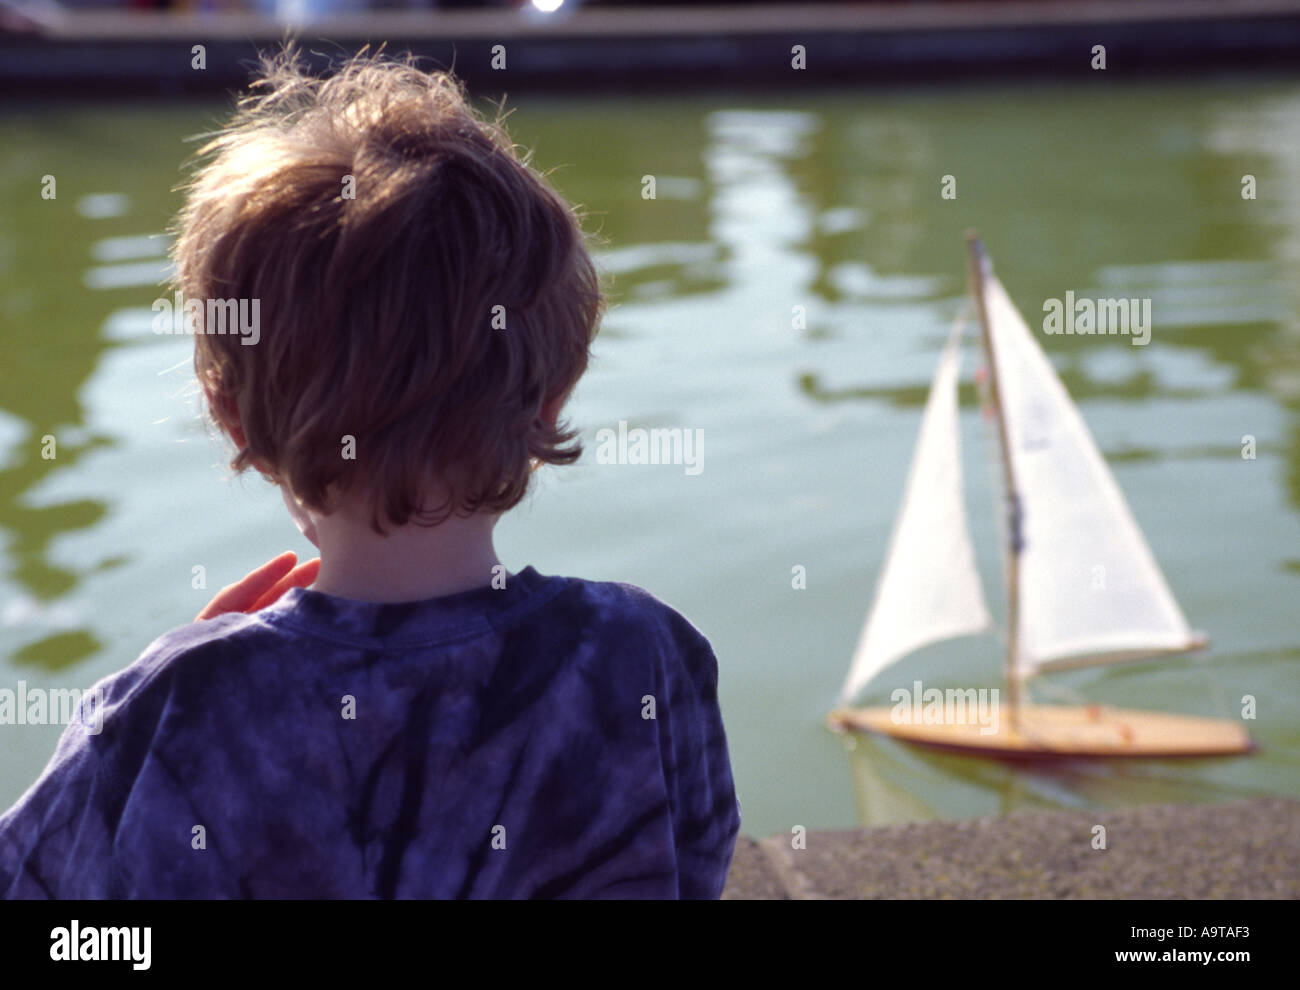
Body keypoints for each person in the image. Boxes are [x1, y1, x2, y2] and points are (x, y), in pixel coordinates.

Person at [0, 49, 740, 898]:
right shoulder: (642, 654)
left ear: (230, 417)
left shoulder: (170, 709)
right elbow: (697, 866)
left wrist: (190, 681)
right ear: (553, 395)